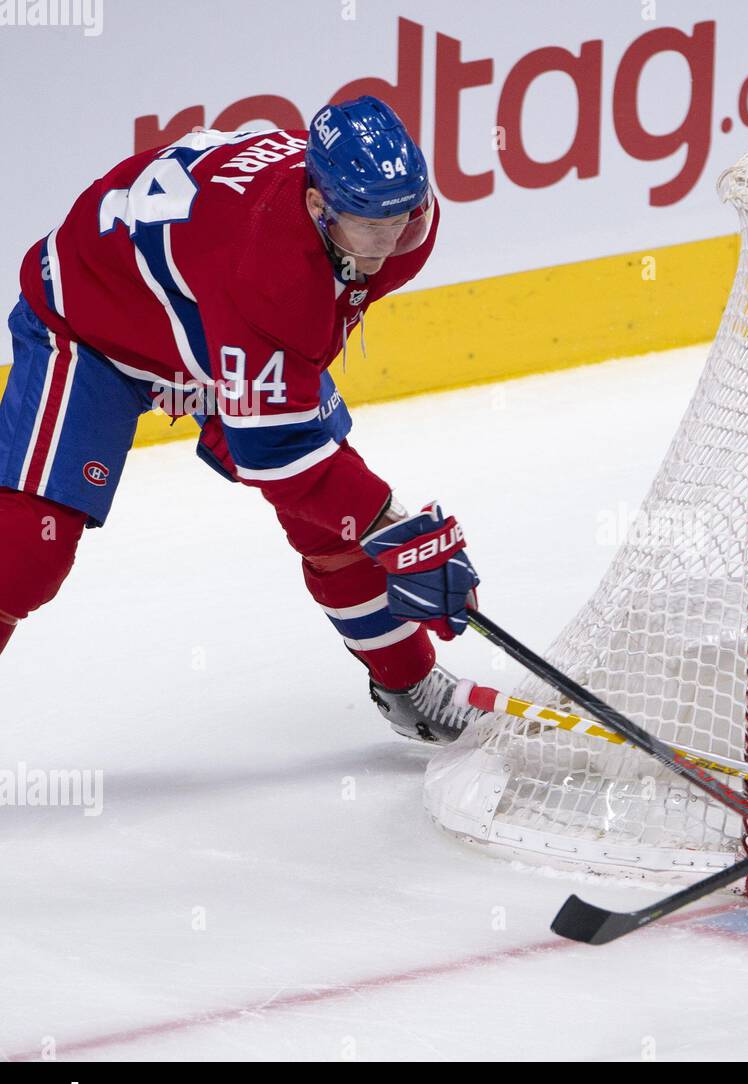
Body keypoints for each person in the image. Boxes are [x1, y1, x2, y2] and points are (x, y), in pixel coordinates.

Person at [0, 95, 477, 744]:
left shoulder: (396, 222)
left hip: (213, 313)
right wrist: (395, 526)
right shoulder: (271, 271)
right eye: (371, 225)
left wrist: (380, 524)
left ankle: (409, 686)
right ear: (318, 207)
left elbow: (289, 419)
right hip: (94, 323)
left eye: (403, 219)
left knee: (335, 519)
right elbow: (277, 457)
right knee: (29, 553)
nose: (389, 243)